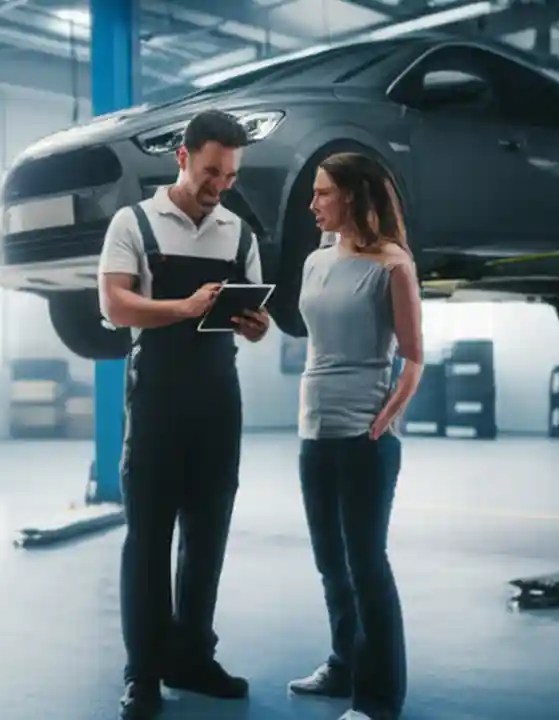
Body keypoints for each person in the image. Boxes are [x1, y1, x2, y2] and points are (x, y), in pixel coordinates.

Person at [97, 109, 272, 720]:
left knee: (207, 537)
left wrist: (255, 325)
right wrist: (184, 307)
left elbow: (252, 321)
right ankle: (143, 674)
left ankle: (193, 659)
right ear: (182, 157)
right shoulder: (134, 222)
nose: (219, 186)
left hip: (218, 401)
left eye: (230, 175)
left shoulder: (240, 234)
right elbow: (115, 306)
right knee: (148, 539)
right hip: (156, 400)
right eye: (210, 172)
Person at [287, 152, 423, 720]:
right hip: (314, 431)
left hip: (363, 437)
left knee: (366, 565)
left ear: (352, 196)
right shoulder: (316, 261)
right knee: (331, 562)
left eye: (322, 193)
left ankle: (378, 700)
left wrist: (385, 419)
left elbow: (414, 358)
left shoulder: (392, 264)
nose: (312, 203)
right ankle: (343, 665)